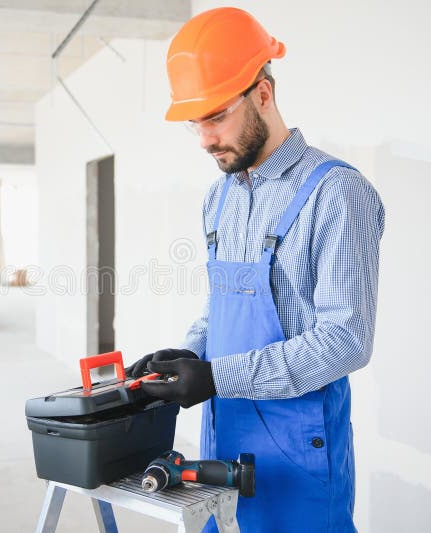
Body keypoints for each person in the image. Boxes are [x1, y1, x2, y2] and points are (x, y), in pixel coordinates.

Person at [127, 7, 385, 532]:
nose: (205, 139)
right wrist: (190, 353)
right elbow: (221, 307)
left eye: (216, 117)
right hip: (223, 437)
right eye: (195, 124)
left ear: (263, 93)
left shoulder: (336, 193)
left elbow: (347, 340)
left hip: (300, 452)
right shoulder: (218, 198)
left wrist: (216, 376)